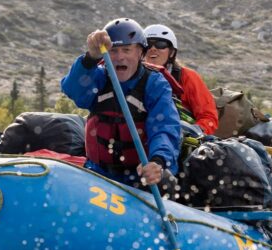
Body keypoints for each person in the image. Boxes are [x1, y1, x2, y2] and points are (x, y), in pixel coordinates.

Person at [60, 18, 181, 190]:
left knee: (167, 181)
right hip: (98, 173)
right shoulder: (99, 78)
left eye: (127, 50)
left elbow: (165, 128)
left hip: (139, 177)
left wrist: (157, 160)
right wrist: (90, 58)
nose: (120, 57)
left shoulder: (155, 84)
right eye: (113, 51)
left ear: (140, 52)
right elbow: (72, 90)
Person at [142, 24, 219, 135]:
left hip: (180, 139)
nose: (153, 49)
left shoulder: (188, 77)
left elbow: (208, 116)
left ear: (172, 52)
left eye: (161, 44)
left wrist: (194, 132)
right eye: (148, 45)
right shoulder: (130, 75)